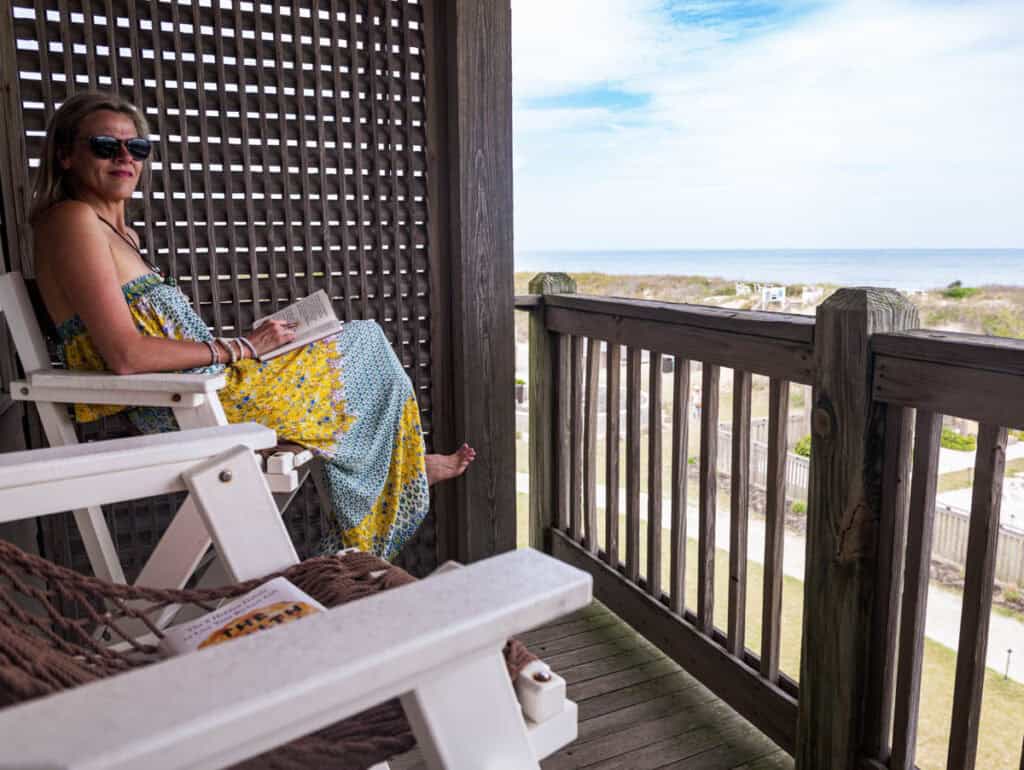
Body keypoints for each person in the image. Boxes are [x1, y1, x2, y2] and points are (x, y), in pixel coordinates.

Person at [29, 91, 475, 560]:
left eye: (136, 148)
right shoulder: (72, 220)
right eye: (105, 145)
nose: (125, 157)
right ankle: (398, 475)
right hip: (186, 401)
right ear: (65, 154)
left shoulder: (118, 233)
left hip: (204, 387)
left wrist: (255, 346)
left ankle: (398, 470)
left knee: (351, 336)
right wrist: (241, 347)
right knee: (364, 340)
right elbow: (126, 355)